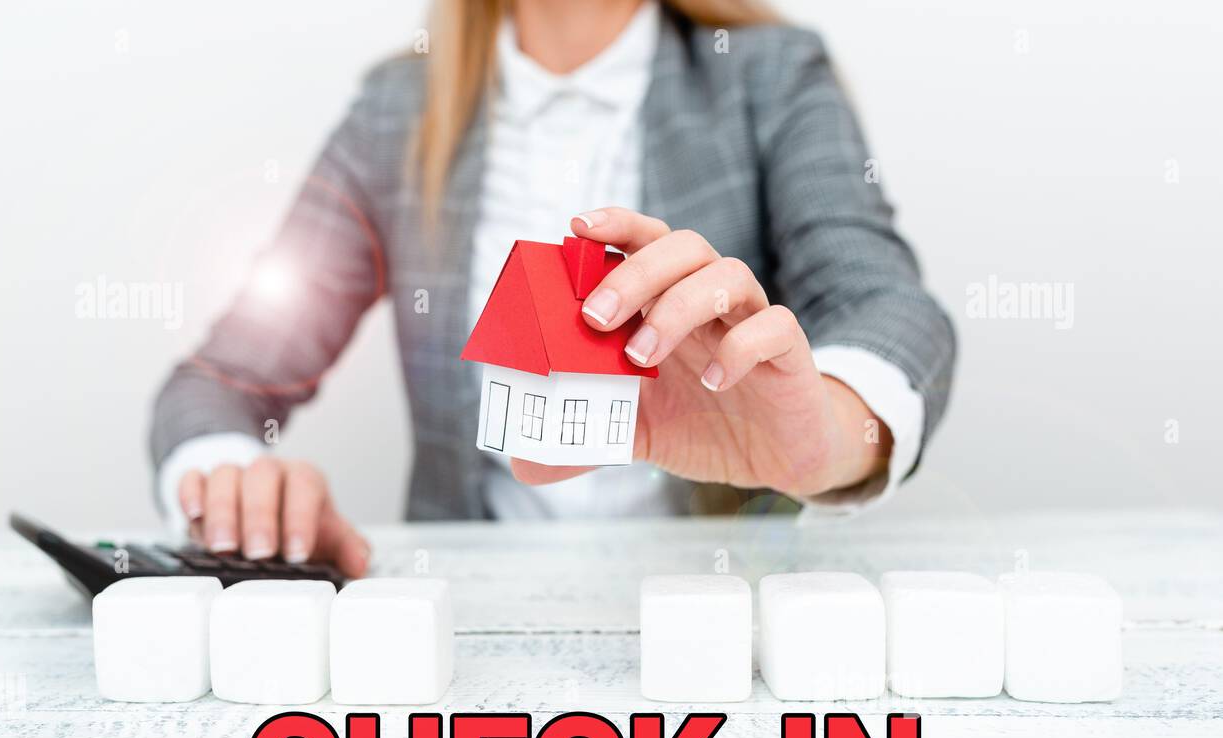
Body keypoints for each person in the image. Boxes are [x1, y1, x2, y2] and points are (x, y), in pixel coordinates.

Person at [150, 0, 956, 578]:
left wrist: (826, 434)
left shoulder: (770, 76)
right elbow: (222, 378)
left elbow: (883, 303)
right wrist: (233, 481)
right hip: (468, 623)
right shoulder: (396, 113)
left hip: (716, 605)